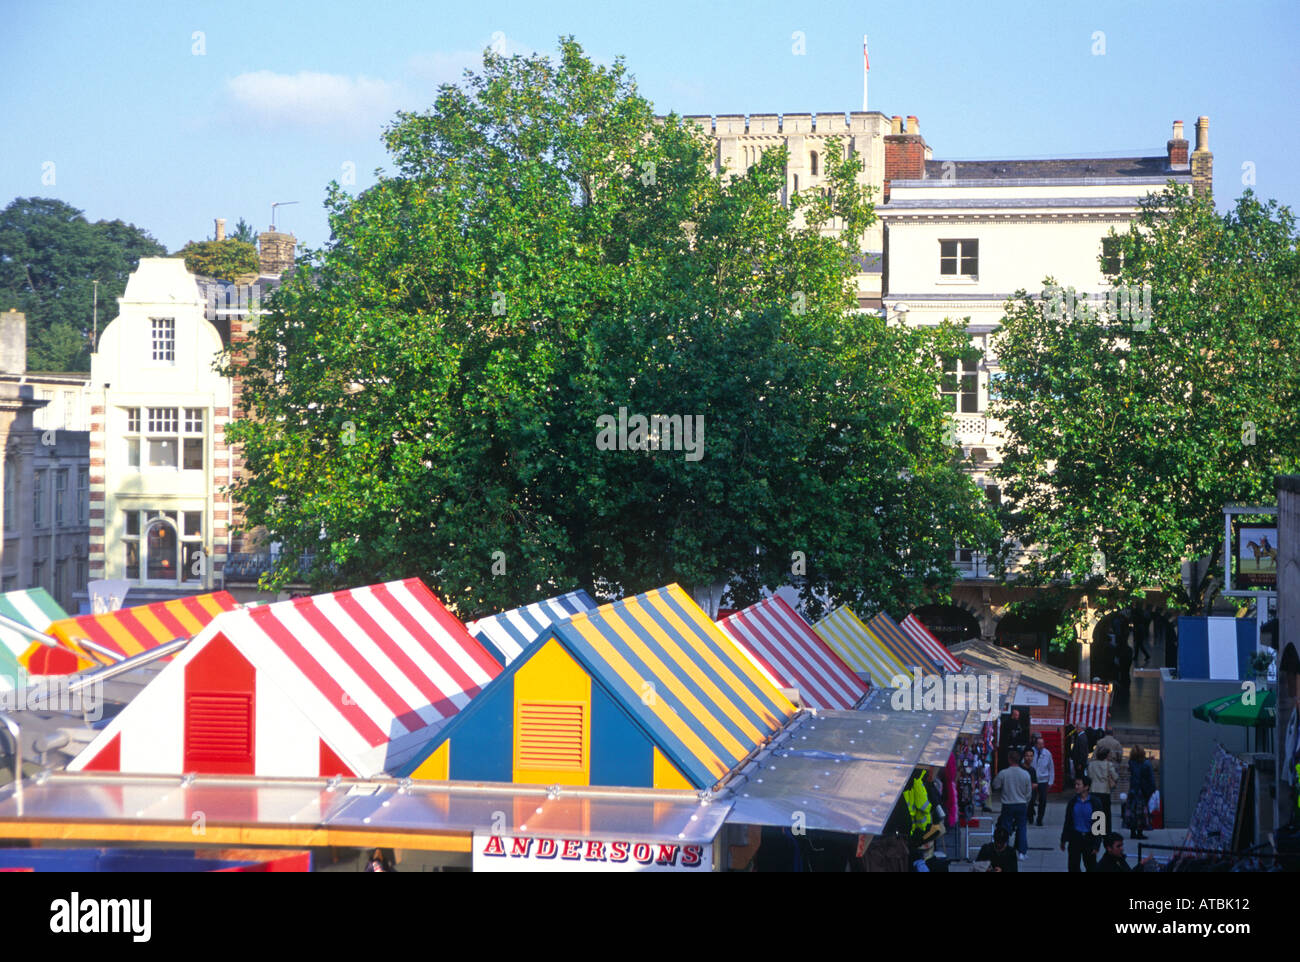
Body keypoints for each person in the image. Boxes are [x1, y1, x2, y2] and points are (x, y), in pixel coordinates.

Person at [992, 748, 1033, 860]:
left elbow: (995, 785)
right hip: (1021, 803)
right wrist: (1025, 801)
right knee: (1022, 828)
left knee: (1005, 827)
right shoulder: (1025, 774)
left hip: (1008, 804)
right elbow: (1029, 792)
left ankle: (1006, 848)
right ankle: (1022, 852)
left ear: (1009, 760)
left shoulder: (1004, 773)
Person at [1060, 777, 1099, 872]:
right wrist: (1063, 840)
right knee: (1073, 866)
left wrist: (1097, 845)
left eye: (1078, 785)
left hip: (1089, 839)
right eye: (1075, 784)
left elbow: (1099, 825)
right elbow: (1068, 822)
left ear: (1086, 787)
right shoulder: (1073, 802)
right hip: (1075, 838)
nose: (1076, 787)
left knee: (1091, 866)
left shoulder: (1095, 802)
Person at [1088, 746, 1119, 836]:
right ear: (1106, 755)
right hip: (1105, 791)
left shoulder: (1092, 764)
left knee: (1096, 812)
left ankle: (1096, 830)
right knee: (1106, 813)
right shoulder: (1108, 765)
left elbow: (1089, 776)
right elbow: (1115, 777)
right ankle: (1105, 831)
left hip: (1094, 790)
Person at [1127, 746, 1156, 840]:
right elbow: (1151, 779)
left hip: (1133, 790)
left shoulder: (1131, 763)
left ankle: (1132, 832)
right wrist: (1152, 790)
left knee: (1132, 811)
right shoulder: (1146, 764)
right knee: (1141, 814)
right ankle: (1139, 832)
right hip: (1142, 791)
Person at [1031, 735, 1054, 826]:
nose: (1041, 745)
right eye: (1039, 744)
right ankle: (1030, 814)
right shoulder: (1031, 751)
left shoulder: (1047, 753)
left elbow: (1051, 768)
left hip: (1043, 780)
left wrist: (1051, 781)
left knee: (1043, 800)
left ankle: (1040, 819)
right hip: (1032, 779)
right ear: (1036, 744)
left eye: (1042, 744)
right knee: (1031, 799)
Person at [1020, 747, 1039, 825]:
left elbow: (1035, 783)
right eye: (1027, 756)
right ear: (1024, 757)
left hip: (1031, 796)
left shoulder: (1032, 770)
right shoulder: (1020, 769)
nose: (1029, 758)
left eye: (1031, 756)